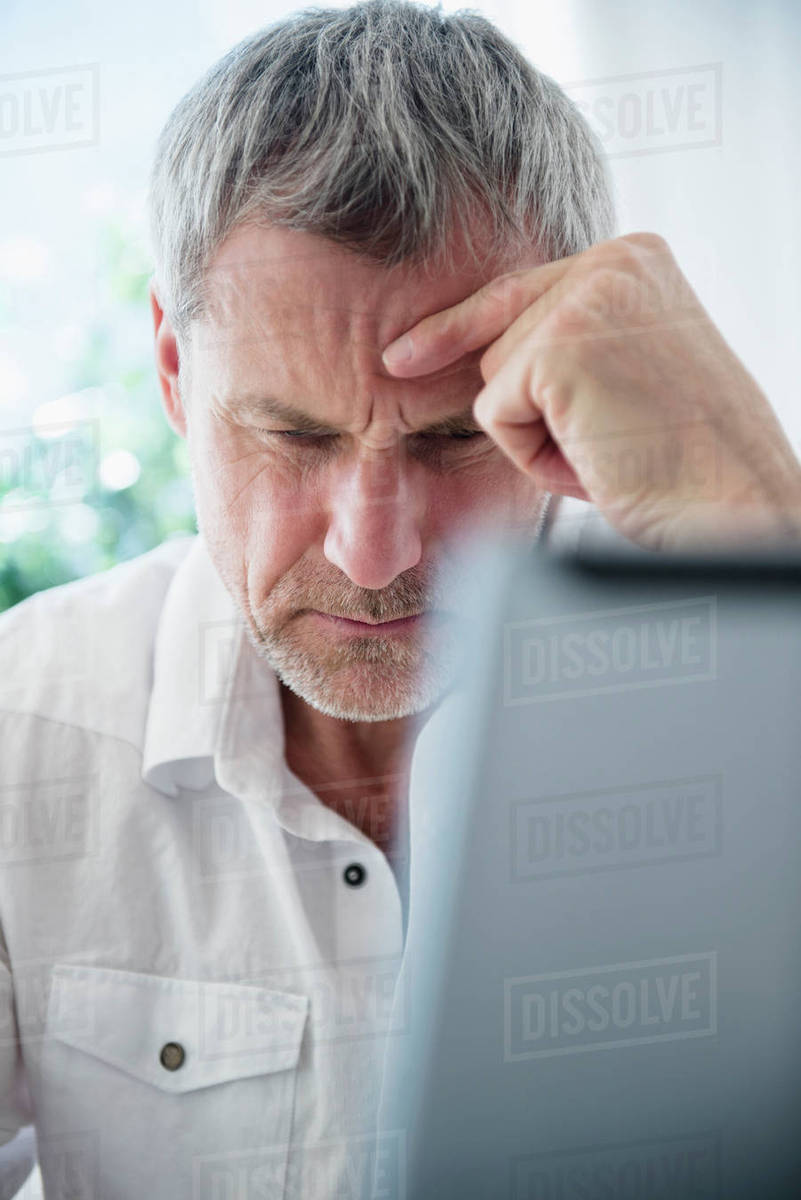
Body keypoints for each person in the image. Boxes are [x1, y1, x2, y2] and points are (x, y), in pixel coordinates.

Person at [1, 2, 799, 1196]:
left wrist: (757, 522)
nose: (374, 553)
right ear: (173, 374)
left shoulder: (731, 705)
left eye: (451, 438)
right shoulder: (24, 731)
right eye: (290, 434)